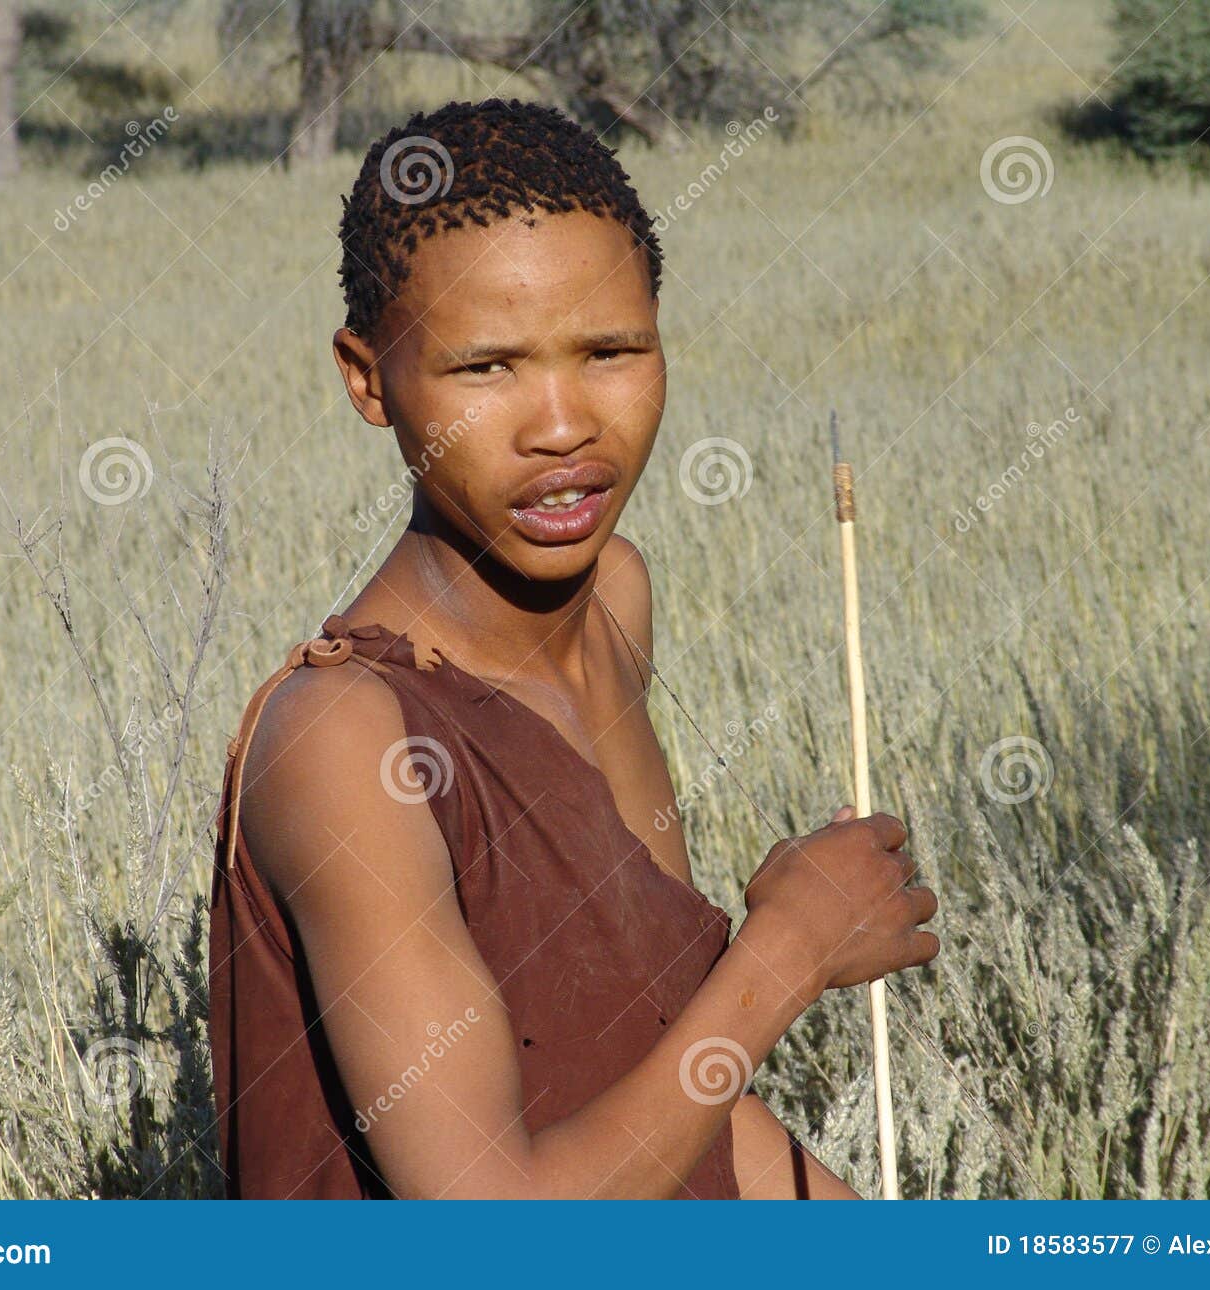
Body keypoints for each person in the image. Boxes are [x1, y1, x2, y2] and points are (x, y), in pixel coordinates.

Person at [208, 97, 940, 1200]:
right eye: (484, 368)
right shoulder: (347, 738)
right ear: (368, 380)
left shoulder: (615, 603)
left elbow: (658, 1077)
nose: (561, 423)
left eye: (609, 350)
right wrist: (787, 954)